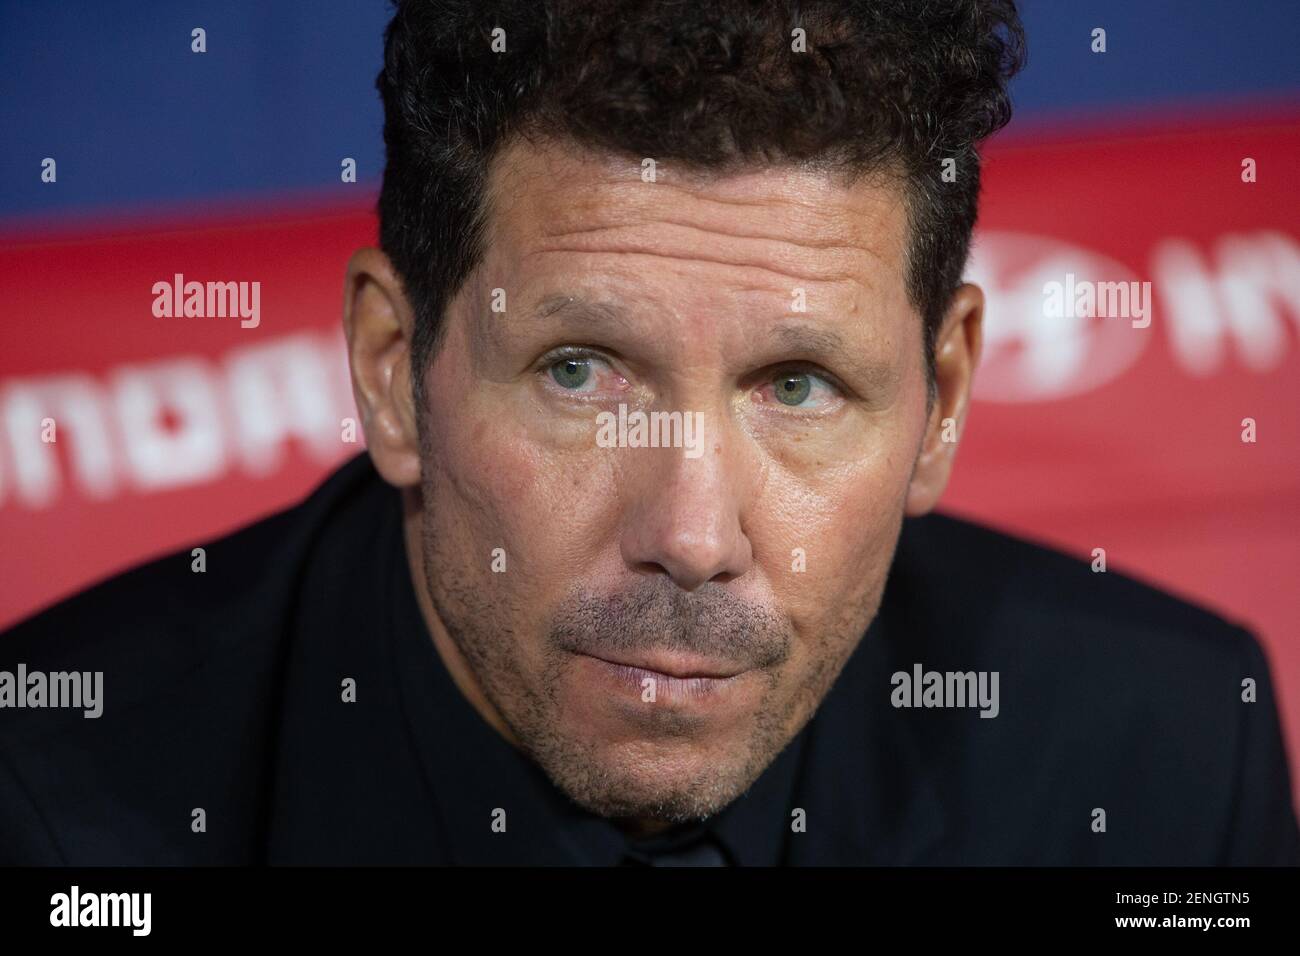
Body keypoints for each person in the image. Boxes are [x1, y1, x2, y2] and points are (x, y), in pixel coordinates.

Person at [2, 0, 1296, 866]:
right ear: (396, 373)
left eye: (797, 385)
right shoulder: (54, 810)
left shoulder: (1162, 759)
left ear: (942, 400)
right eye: (581, 372)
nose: (690, 536)